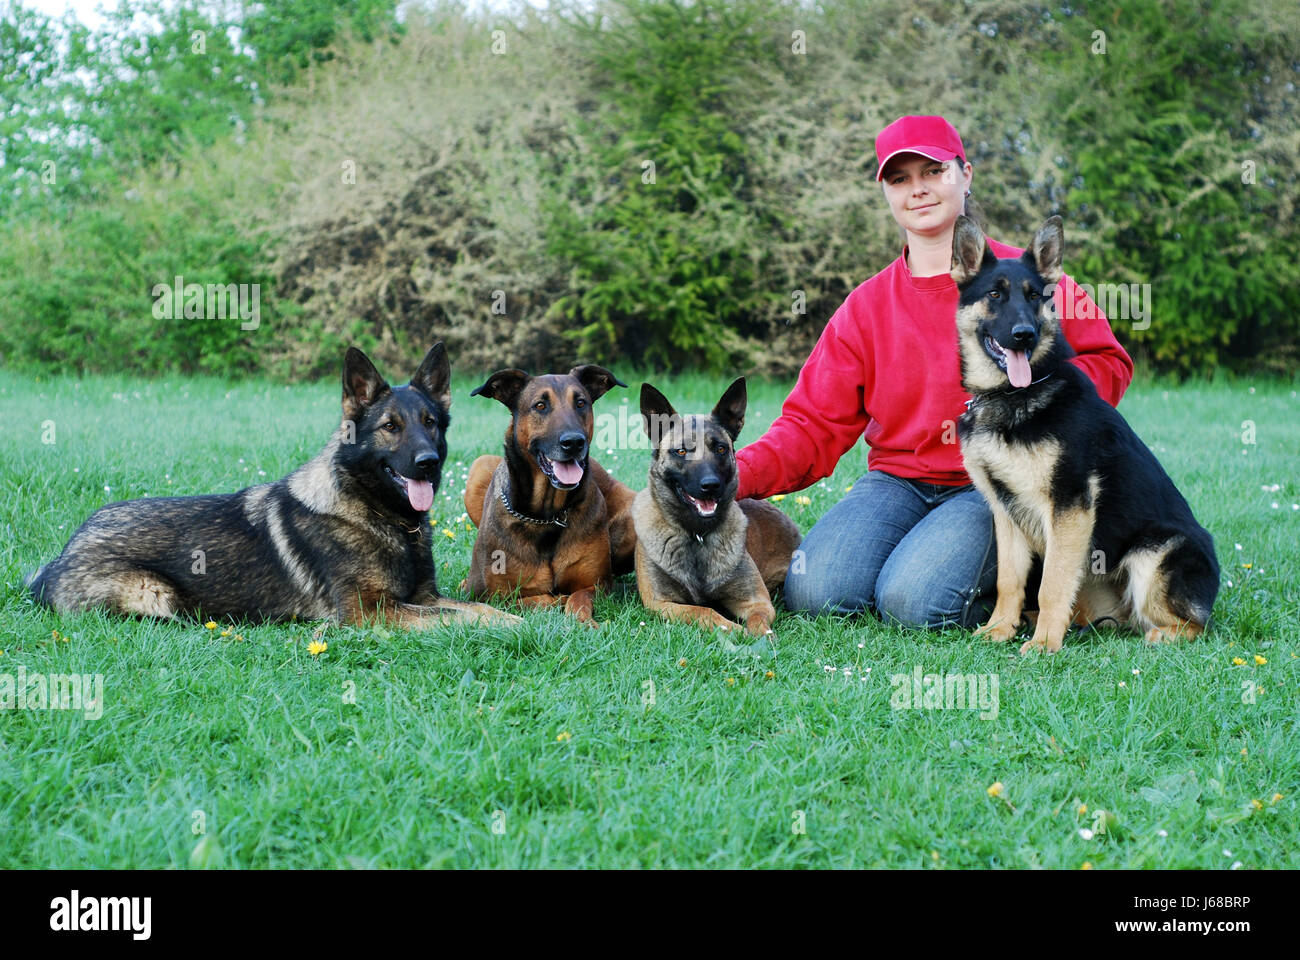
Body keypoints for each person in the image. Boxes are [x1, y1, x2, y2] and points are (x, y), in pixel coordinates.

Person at [735, 115, 1133, 629]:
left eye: (933, 172)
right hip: (898, 481)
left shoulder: (1025, 277)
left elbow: (1109, 363)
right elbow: (810, 425)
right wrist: (732, 472)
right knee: (817, 588)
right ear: (886, 193)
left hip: (997, 481)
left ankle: (1028, 592)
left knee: (914, 602)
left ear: (964, 175)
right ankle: (938, 558)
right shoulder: (866, 305)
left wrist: (1034, 402)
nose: (918, 190)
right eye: (900, 179)